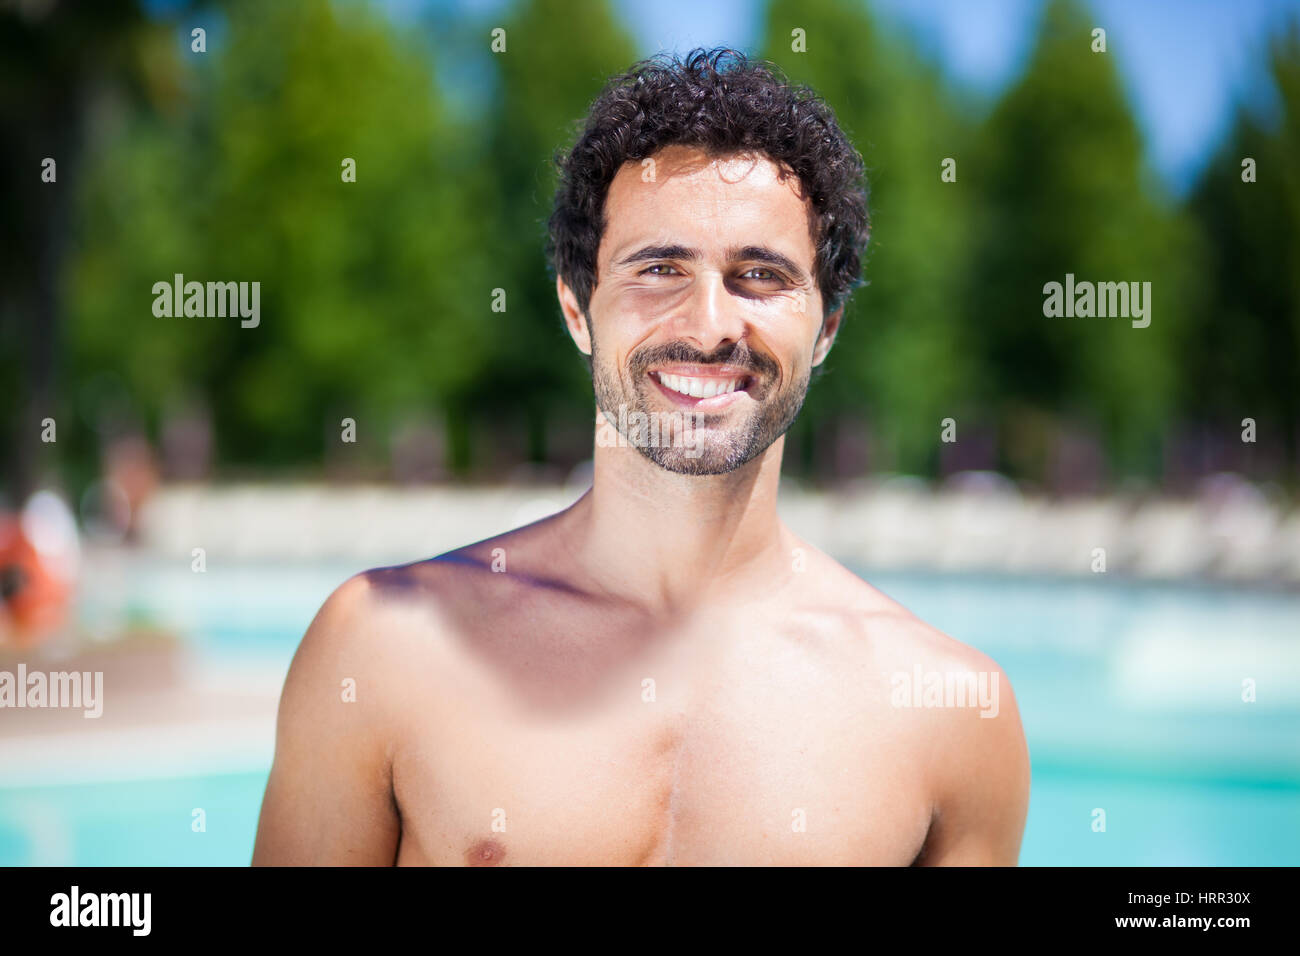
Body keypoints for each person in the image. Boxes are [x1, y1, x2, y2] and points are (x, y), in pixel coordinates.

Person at [253, 48, 1029, 866]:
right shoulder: (381, 647)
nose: (709, 323)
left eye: (759, 276)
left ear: (827, 327)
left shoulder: (950, 716)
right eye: (659, 268)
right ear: (576, 308)